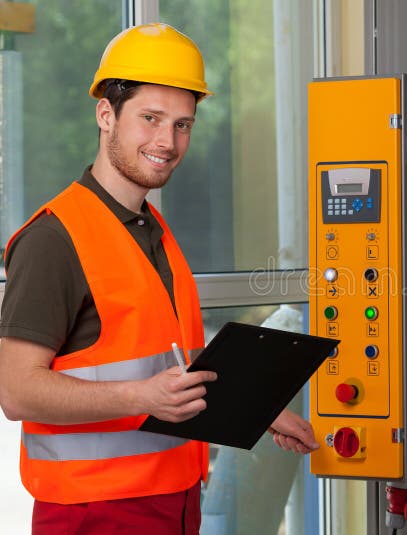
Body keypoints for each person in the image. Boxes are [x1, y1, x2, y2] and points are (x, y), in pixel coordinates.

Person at [0, 22, 318, 534]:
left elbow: (170, 368)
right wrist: (141, 398)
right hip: (93, 515)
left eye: (182, 124)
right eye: (150, 119)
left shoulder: (153, 232)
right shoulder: (53, 240)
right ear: (106, 114)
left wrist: (255, 409)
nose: (167, 142)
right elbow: (16, 391)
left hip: (175, 503)